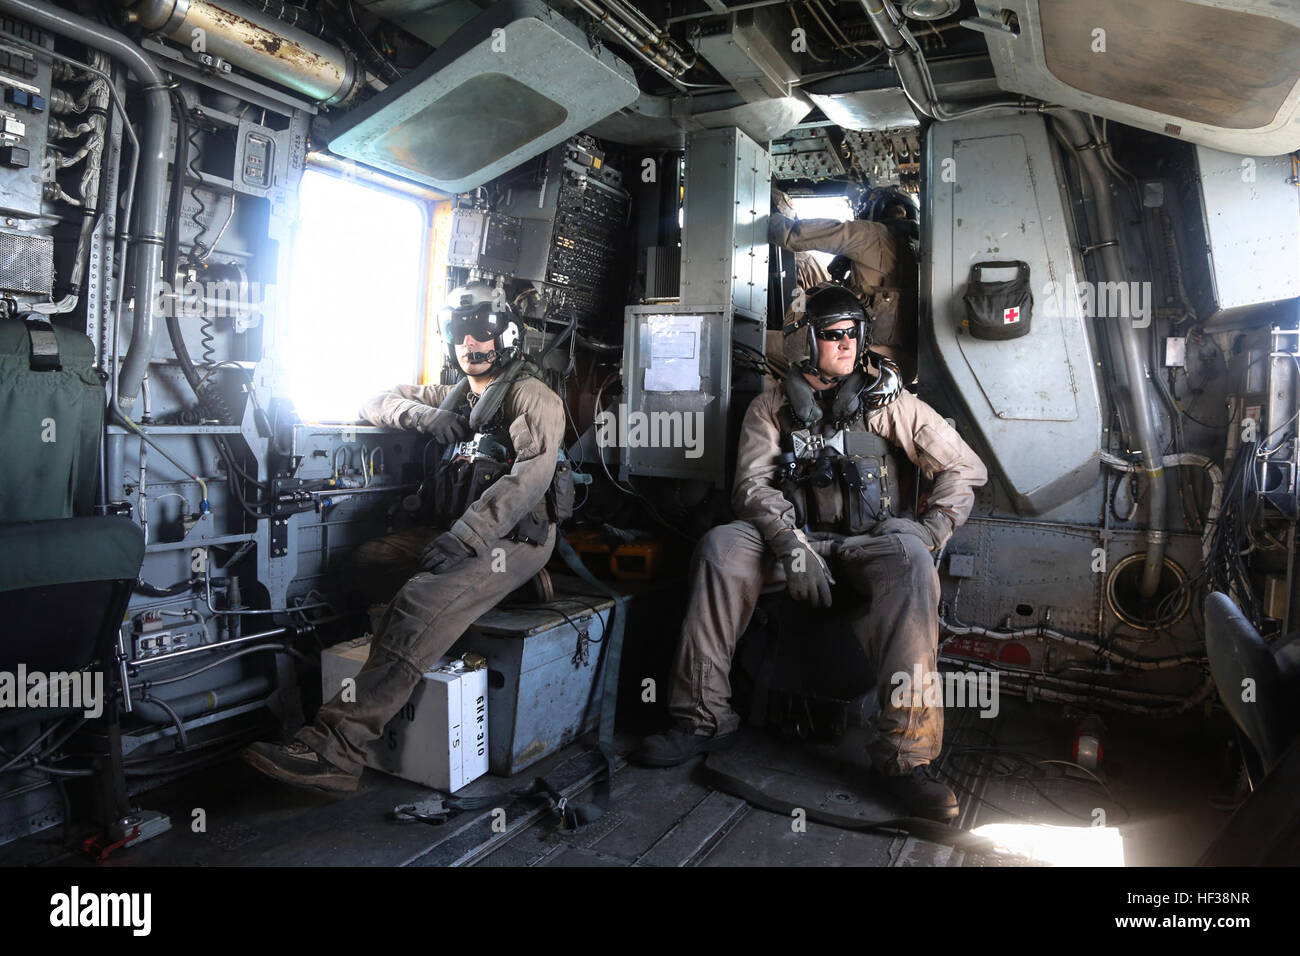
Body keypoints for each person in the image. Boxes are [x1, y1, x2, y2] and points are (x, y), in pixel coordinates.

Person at [634, 285, 987, 821]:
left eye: (853, 333)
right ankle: (703, 718)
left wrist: (931, 532)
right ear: (807, 339)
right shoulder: (771, 407)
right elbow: (751, 488)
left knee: (912, 562)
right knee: (721, 547)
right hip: (793, 542)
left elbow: (965, 468)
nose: (846, 344)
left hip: (870, 544)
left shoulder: (891, 405)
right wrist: (791, 546)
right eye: (833, 334)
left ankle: (904, 758)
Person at [243, 283, 565, 794]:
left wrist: (467, 537)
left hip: (512, 539)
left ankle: (336, 750)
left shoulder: (531, 397)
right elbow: (375, 399)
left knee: (418, 602)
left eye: (481, 331)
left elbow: (530, 478)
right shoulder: (457, 395)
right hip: (454, 531)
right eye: (458, 333)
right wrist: (426, 415)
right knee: (368, 563)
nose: (469, 344)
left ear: (505, 334)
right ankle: (501, 593)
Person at [770, 188, 920, 382]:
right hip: (903, 368)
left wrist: (761, 217)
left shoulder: (871, 235)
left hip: (858, 359)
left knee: (752, 344)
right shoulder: (921, 251)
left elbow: (794, 235)